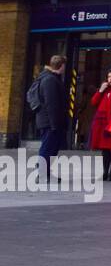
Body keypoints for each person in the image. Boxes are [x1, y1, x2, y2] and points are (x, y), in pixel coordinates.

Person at [33, 55, 67, 183]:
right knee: (47, 148)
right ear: (61, 66)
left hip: (51, 121)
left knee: (52, 148)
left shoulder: (52, 78)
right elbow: (51, 104)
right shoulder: (50, 80)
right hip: (49, 122)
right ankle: (41, 175)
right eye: (64, 65)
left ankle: (46, 173)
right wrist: (54, 125)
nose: (65, 68)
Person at [89, 70, 111, 182]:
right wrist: (100, 90)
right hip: (104, 124)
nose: (110, 79)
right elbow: (94, 102)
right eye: (109, 76)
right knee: (105, 149)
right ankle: (105, 172)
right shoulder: (104, 90)